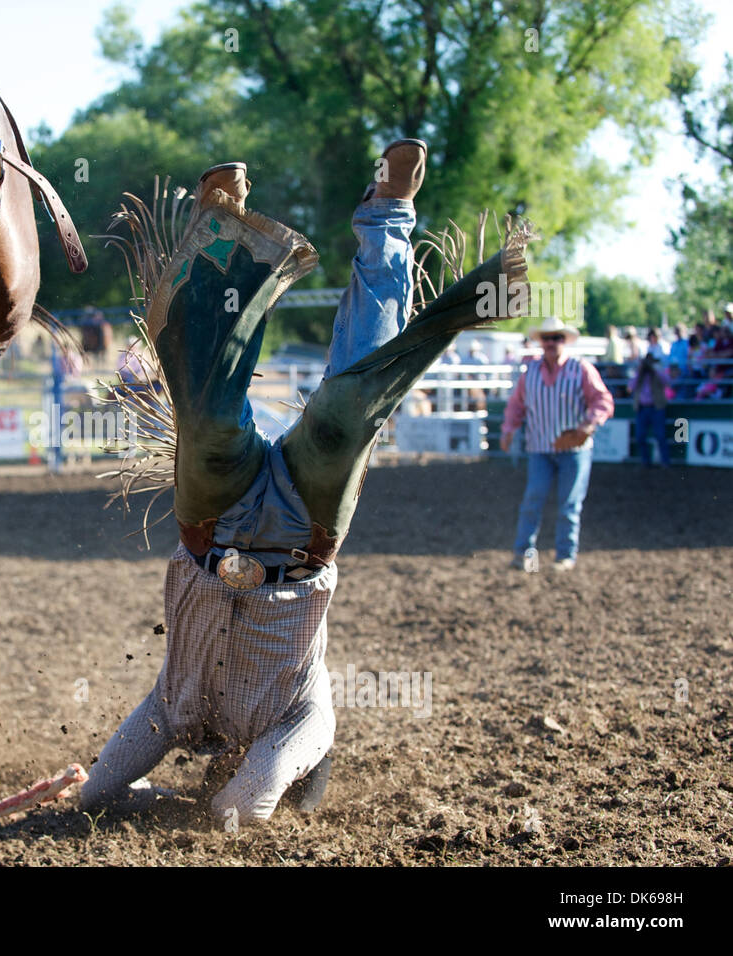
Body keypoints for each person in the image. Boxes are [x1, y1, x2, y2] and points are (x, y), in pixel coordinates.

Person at [81, 143, 531, 825]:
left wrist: (146, 796)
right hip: (304, 535)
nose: (232, 762)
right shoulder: (306, 720)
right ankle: (388, 216)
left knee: (205, 416)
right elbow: (247, 805)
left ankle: (223, 236)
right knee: (347, 412)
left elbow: (96, 791)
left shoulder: (171, 710)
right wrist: (195, 800)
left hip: (214, 524)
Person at [500, 318, 615, 572]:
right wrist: (508, 430)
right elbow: (516, 406)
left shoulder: (581, 369)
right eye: (547, 338)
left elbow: (603, 400)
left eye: (557, 338)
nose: (551, 343)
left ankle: (565, 555)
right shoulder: (529, 373)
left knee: (569, 504)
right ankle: (523, 554)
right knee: (532, 501)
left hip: (574, 451)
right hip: (539, 448)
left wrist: (588, 424)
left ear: (564, 341)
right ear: (541, 341)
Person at [630, 354, 671, 466]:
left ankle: (665, 461)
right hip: (642, 408)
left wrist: (654, 370)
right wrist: (640, 372)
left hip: (656, 407)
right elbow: (630, 387)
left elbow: (667, 382)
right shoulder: (639, 375)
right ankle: (646, 461)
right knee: (640, 436)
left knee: (660, 435)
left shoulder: (657, 373)